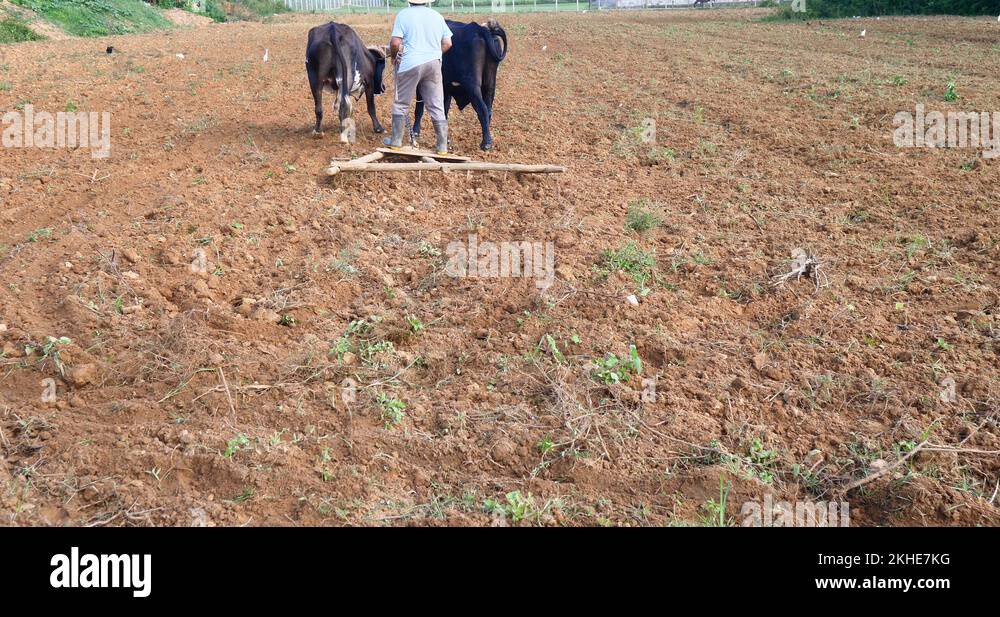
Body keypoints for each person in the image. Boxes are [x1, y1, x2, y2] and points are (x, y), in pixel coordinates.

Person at [384, 0, 452, 154]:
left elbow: (395, 43)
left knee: (401, 102)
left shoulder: (404, 14)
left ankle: (395, 141)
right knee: (436, 104)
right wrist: (434, 54)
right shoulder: (437, 15)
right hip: (434, 64)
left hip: (411, 63)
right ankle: (442, 146)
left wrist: (394, 57)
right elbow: (448, 43)